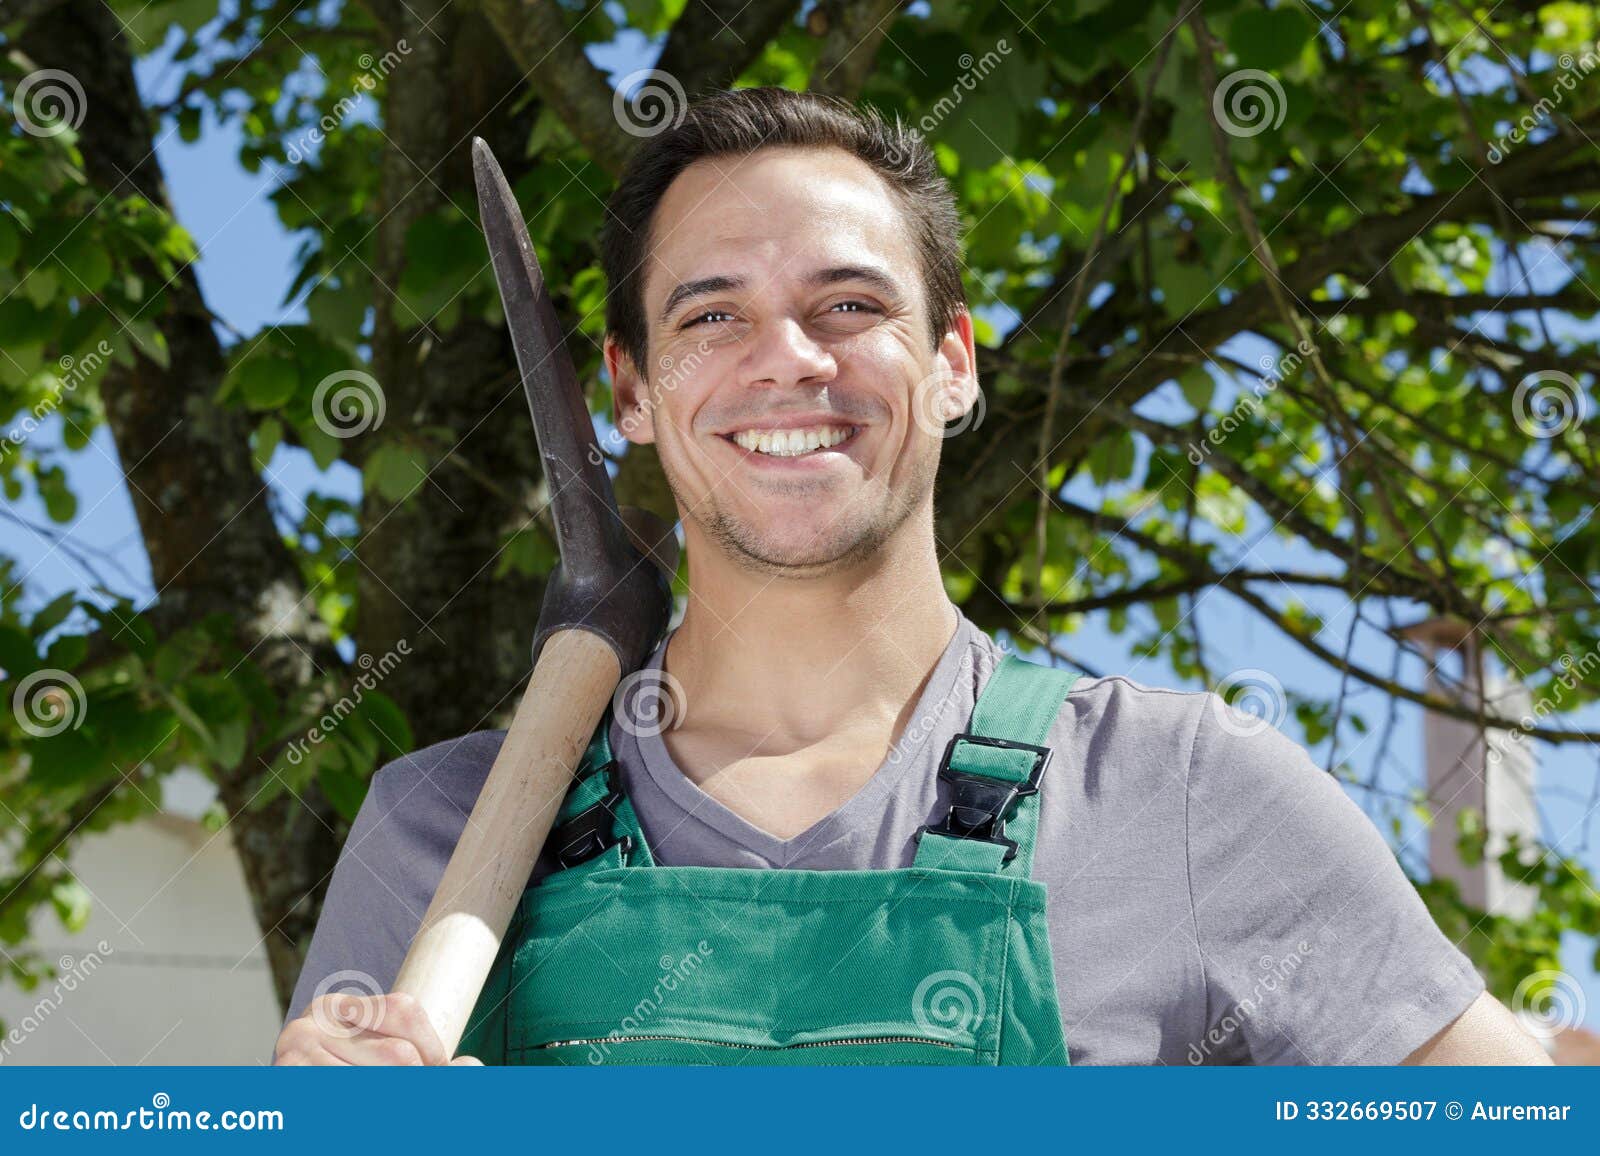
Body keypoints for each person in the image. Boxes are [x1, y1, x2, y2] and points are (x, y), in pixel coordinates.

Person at [272, 86, 1548, 1067]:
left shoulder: (1193, 798)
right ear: (630, 392)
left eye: (847, 305)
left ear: (951, 364)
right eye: (711, 315)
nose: (787, 360)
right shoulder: (437, 835)